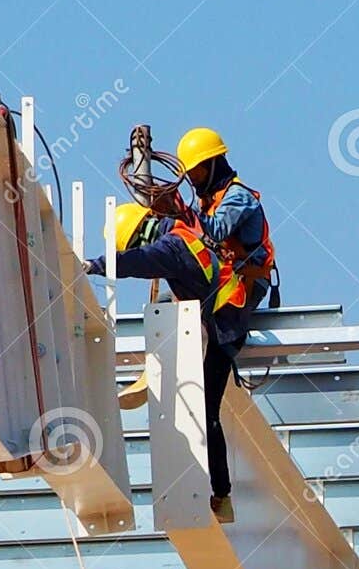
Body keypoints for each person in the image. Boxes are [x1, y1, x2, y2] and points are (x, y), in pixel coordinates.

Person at [88, 202, 244, 523]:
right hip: (225, 313)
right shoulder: (181, 236)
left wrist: (95, 265)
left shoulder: (171, 247)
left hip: (226, 325)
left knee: (206, 411)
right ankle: (220, 494)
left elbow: (140, 261)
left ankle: (222, 494)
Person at [176, 127, 275, 315]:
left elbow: (216, 230)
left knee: (203, 319)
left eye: (195, 171)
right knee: (167, 305)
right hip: (223, 279)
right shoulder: (206, 202)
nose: (192, 178)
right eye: (189, 173)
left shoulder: (239, 197)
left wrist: (178, 210)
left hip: (247, 281)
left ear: (212, 164)